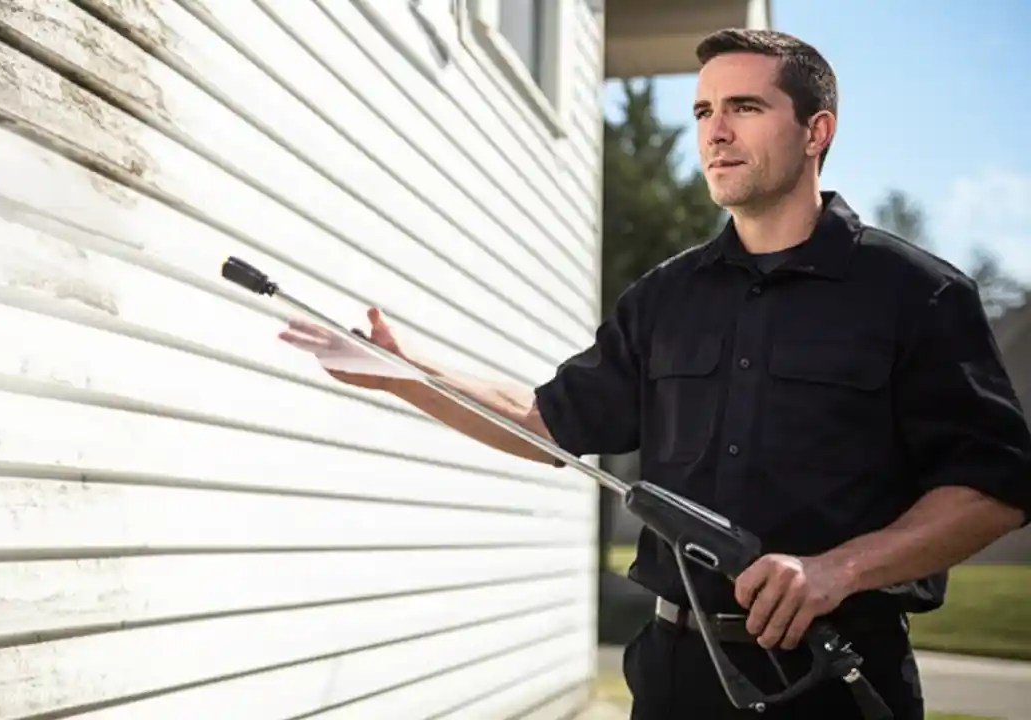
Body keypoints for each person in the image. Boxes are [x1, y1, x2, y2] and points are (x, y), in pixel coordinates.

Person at [279, 28, 1031, 720]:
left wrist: (837, 569)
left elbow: (997, 488)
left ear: (816, 131)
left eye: (744, 106)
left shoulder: (917, 294)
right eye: (704, 109)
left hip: (838, 680)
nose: (716, 130)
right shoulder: (664, 298)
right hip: (678, 676)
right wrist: (408, 373)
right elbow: (547, 421)